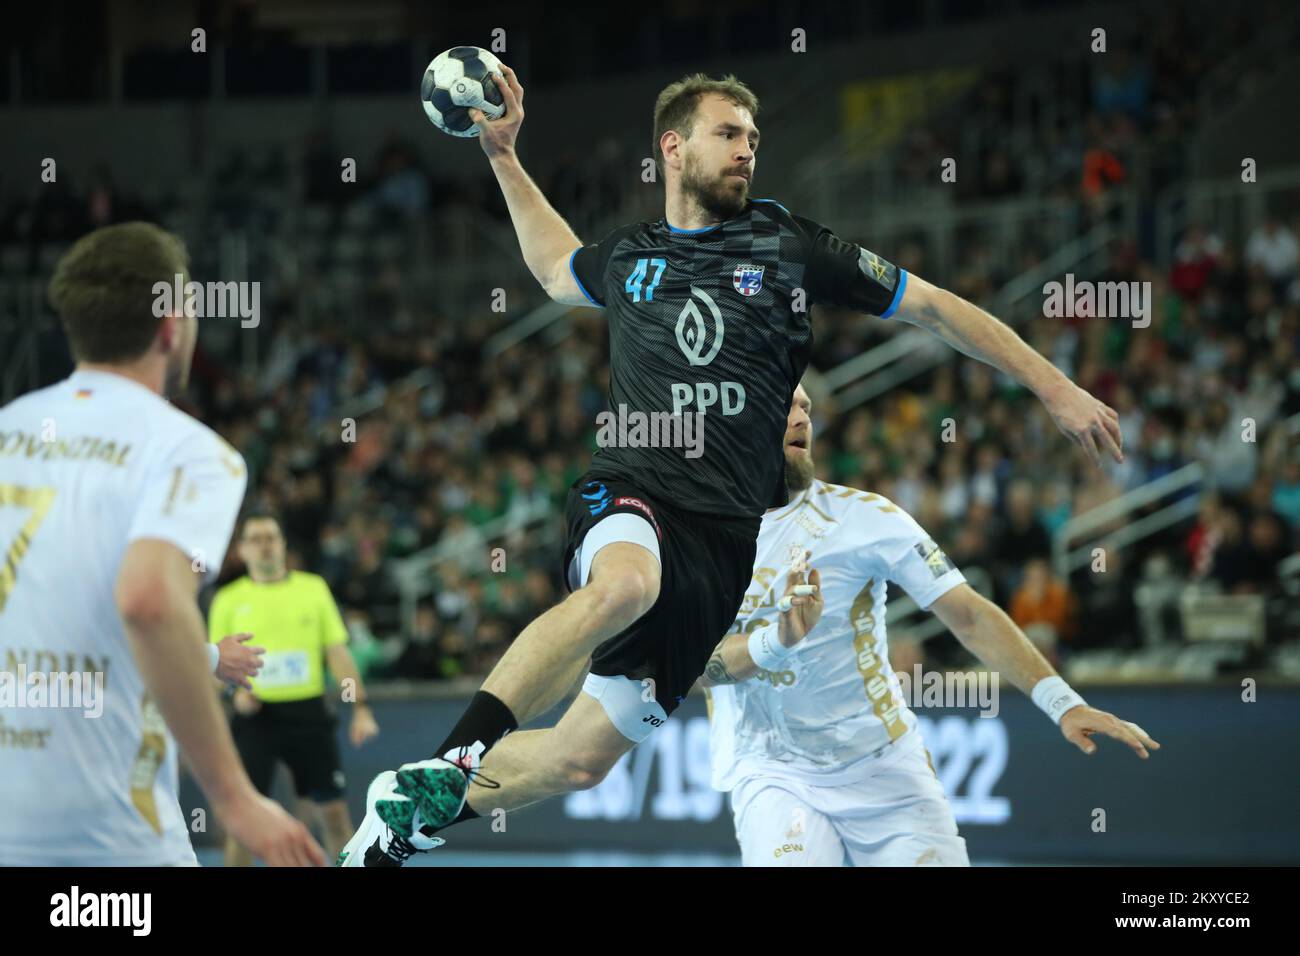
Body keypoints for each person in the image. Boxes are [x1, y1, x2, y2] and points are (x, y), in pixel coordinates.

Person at [341, 70, 1125, 866]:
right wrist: (504, 156)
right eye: (728, 134)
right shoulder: (632, 257)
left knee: (577, 758)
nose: (747, 150)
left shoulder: (786, 244)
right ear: (672, 148)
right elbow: (555, 268)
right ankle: (456, 755)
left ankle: (407, 805)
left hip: (721, 546)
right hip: (636, 490)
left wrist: (1054, 389)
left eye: (753, 137)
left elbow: (932, 306)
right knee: (624, 586)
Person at [703, 385, 1159, 866]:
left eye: (806, 407)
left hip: (883, 769)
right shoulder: (701, 538)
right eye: (785, 405)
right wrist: (778, 640)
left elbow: (969, 614)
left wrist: (1063, 703)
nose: (801, 418)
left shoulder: (862, 518)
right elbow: (698, 666)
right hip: (774, 773)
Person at [0, 222, 324, 866]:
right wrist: (234, 799)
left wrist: (203, 654)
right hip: (109, 835)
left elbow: (69, 596)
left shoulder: (10, 429)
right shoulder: (190, 453)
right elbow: (147, 600)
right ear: (172, 325)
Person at [209, 511, 378, 865]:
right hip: (255, 720)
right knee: (243, 823)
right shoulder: (226, 599)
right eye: (255, 539)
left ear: (283, 544)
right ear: (243, 550)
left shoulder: (313, 589)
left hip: (309, 716)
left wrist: (360, 707)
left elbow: (337, 654)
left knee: (333, 815)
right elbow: (212, 667)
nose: (265, 546)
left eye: (271, 537)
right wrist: (234, 696)